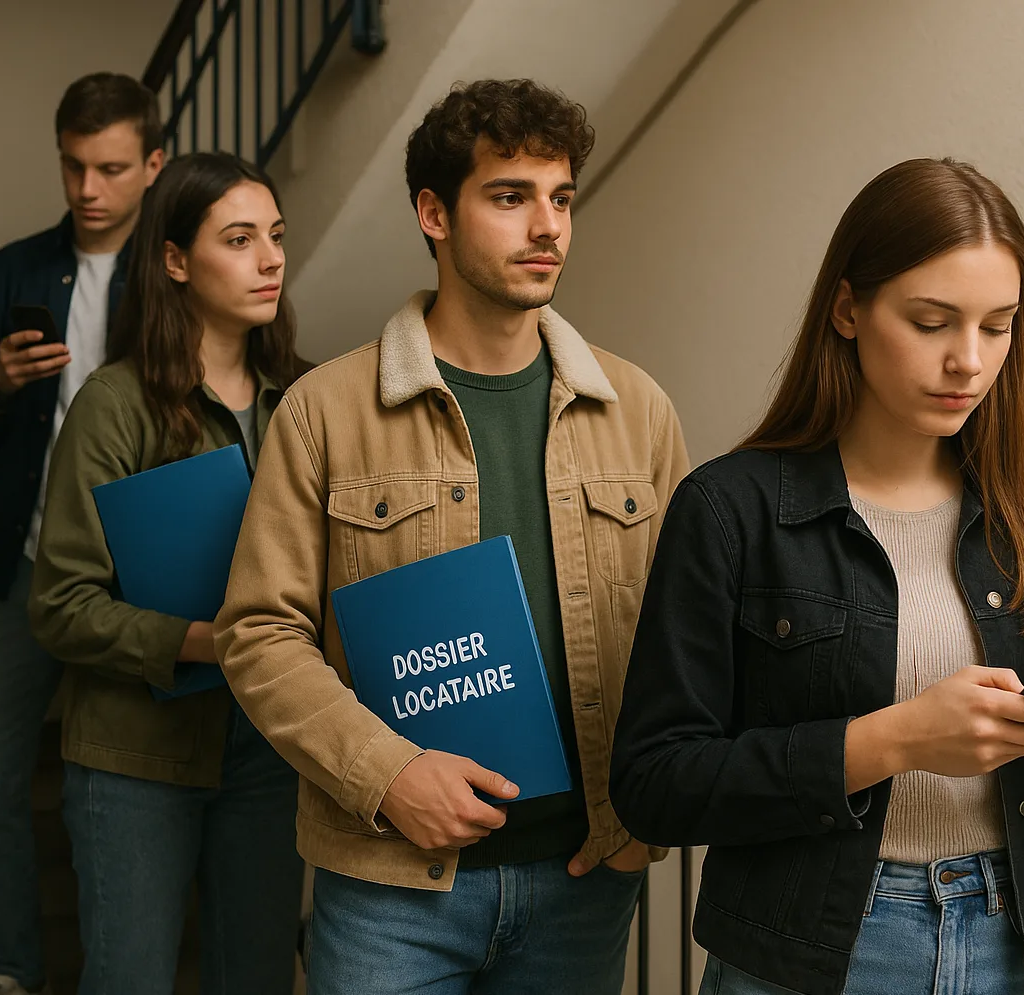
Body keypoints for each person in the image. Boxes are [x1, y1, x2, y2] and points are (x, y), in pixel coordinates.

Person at [610, 158, 1024, 995]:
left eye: (998, 325)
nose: (969, 361)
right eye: (932, 321)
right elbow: (654, 787)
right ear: (848, 307)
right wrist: (889, 741)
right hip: (812, 955)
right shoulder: (729, 508)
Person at [215, 78, 690, 995]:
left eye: (561, 199)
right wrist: (387, 773)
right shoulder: (325, 410)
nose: (546, 226)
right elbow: (259, 635)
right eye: (510, 197)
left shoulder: (639, 409)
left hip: (586, 877)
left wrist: (644, 822)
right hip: (390, 885)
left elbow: (688, 635)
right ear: (434, 213)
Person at [26, 152, 309, 995]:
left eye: (276, 236)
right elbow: (59, 605)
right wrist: (201, 639)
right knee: (129, 980)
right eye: (239, 238)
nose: (270, 259)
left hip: (266, 748)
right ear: (176, 261)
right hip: (132, 753)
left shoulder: (302, 397)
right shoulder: (115, 403)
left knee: (257, 977)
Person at [0, 71, 163, 995]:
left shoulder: (184, 263)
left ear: (153, 164)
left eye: (110, 167)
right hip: (25, 559)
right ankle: (13, 967)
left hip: (144, 575)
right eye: (73, 166)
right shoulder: (14, 270)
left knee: (114, 795)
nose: (87, 188)